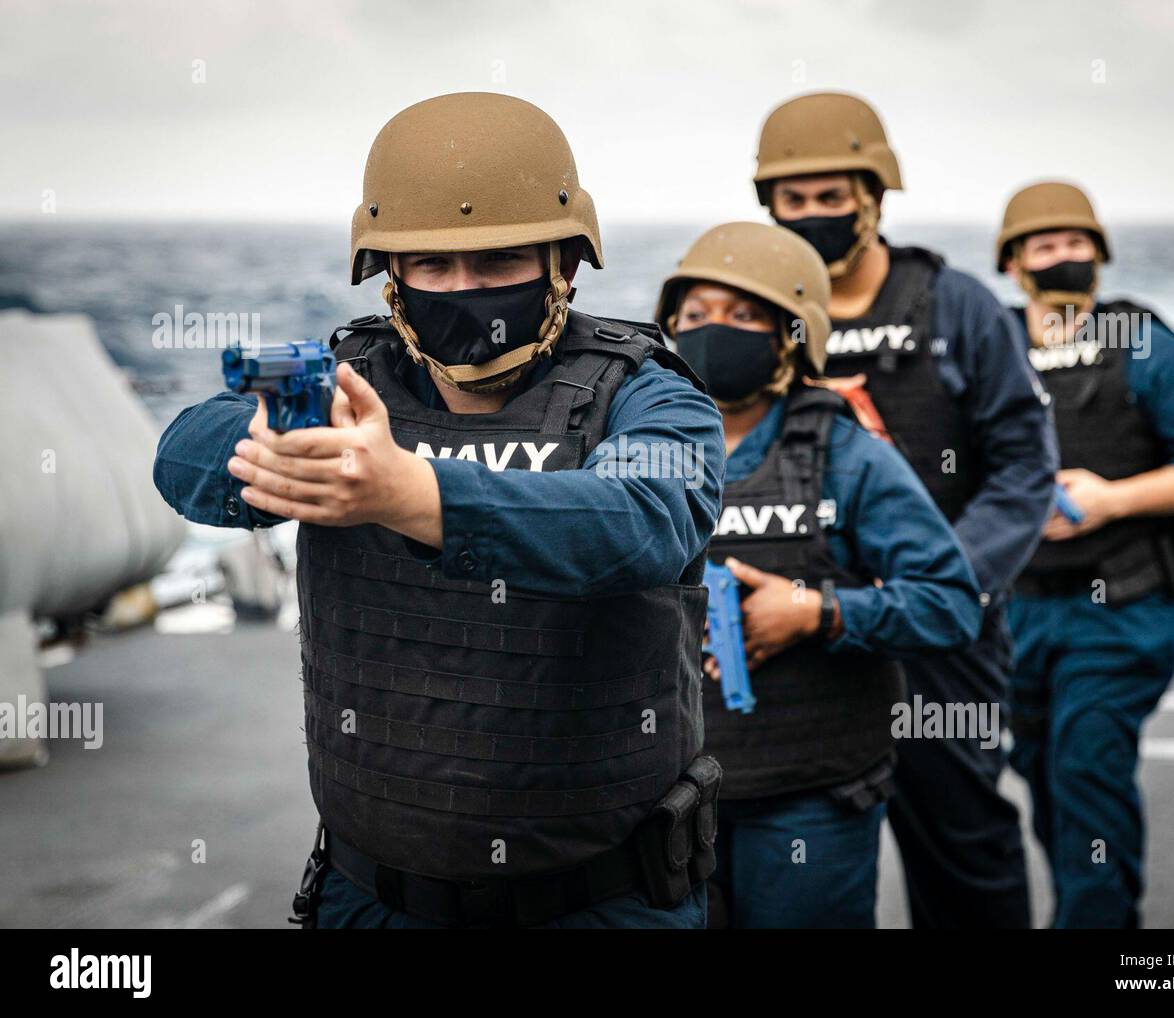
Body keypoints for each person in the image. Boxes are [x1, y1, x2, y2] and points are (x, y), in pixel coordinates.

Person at [152, 92, 727, 929]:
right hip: (372, 893)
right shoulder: (353, 382)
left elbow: (643, 518)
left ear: (563, 263)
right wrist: (277, 442)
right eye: (431, 267)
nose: (464, 290)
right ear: (392, 277)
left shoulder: (647, 393)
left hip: (601, 898)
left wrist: (410, 493)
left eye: (498, 262)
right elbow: (181, 458)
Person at [752, 91, 1057, 928]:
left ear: (874, 195)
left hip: (934, 638)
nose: (812, 213)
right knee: (782, 853)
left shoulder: (957, 307)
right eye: (793, 199)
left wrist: (947, 581)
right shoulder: (756, 312)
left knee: (962, 845)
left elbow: (1027, 467)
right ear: (768, 206)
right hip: (795, 631)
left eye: (831, 196)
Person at [654, 221, 983, 927]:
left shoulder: (848, 455)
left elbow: (951, 604)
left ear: (790, 334)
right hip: (661, 804)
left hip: (809, 801)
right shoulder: (631, 449)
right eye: (696, 314)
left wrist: (818, 612)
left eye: (744, 315)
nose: (716, 330)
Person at [996, 180, 1174, 927]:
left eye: (1077, 244)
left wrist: (1110, 498)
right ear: (1013, 264)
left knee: (1086, 772)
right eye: (1045, 245)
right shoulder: (994, 351)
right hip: (1015, 614)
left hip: (1121, 609)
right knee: (1039, 774)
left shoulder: (1146, 347)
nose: (1063, 257)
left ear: (1099, 258)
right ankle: (1088, 908)